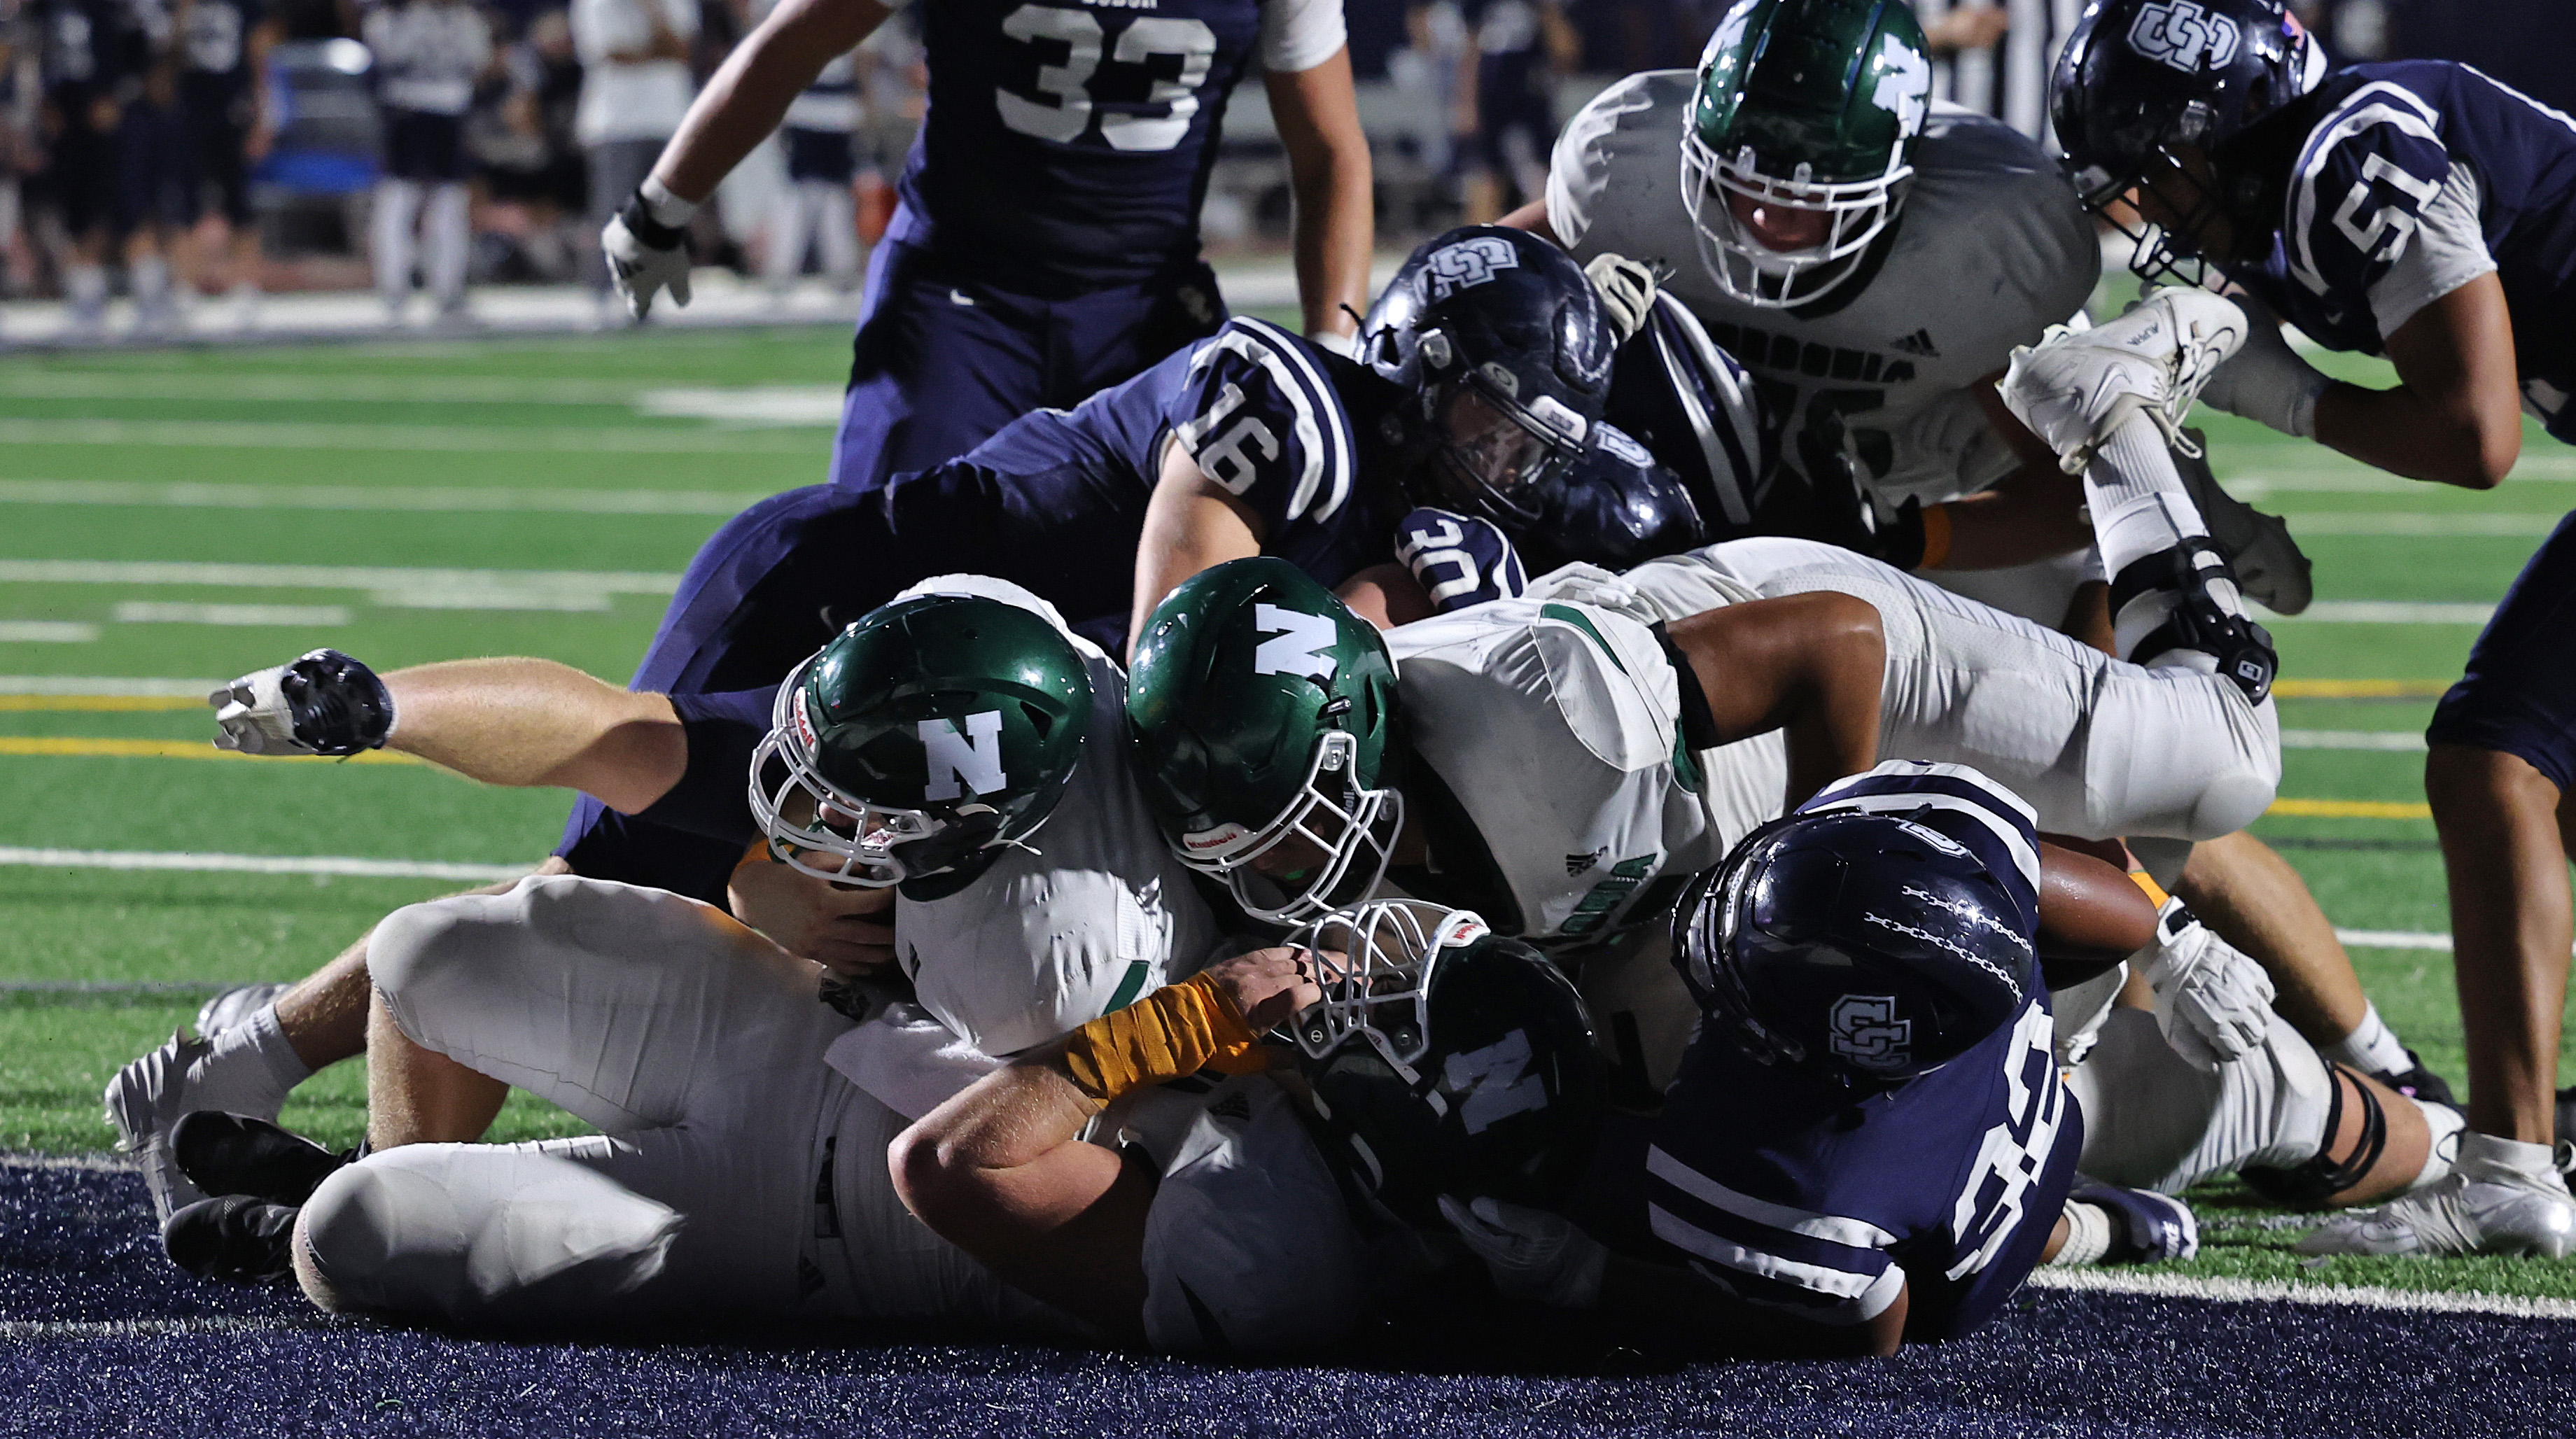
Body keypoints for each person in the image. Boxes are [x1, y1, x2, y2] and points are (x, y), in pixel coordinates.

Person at [1516, 0, 2444, 1107]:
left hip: (1938, 505)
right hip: (1716, 535)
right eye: (1740, 187)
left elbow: (2067, 497)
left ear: (1898, 187)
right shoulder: (1623, 180)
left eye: (1804, 207)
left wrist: (1907, 538)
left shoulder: (1978, 253)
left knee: (2122, 797)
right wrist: (1541, 304)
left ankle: (2382, 1070)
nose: (1763, 225)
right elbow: (1487, 283)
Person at [108, 578, 1222, 1226]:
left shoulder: (1047, 952)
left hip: (933, 1124)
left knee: (391, 1233)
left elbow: (1040, 1139)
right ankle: (370, 1176)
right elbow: (621, 736)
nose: (813, 816)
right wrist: (384, 707)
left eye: (859, 815)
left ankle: (368, 1196)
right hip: (878, 1017)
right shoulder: (956, 721)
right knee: (481, 938)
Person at [2051, 0, 2576, 1257]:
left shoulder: (2352, 157)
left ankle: (2506, 1172)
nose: (2150, 207)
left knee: (2495, 763)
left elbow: (2476, 434)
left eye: (2158, 166)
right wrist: (2223, 509)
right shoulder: (2308, 170)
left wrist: (2289, 400)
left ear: (2226, 120)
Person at [158, 881, 1362, 1354]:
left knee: (356, 1230)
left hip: (792, 1212)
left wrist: (1179, 1023)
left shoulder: (1290, 1252)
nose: (1387, 1022)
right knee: (423, 951)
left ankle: (311, 1224)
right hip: (799, 1021)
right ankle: (371, 1170)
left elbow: (954, 1165)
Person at [1441, 761, 2188, 1354]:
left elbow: (1876, 1326)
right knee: (1949, 1190)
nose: (1726, 935)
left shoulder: (1776, 1167)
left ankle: (2091, 1227)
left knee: (1609, 1167)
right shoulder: (1960, 875)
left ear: (1840, 1057)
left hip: (1953, 1271)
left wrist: (1590, 1277)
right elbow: (2127, 919)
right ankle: (2103, 1228)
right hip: (2025, 1119)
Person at [598, 0, 1375, 492]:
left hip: (1145, 312)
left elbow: (1329, 151)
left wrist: (1332, 352)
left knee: (1181, 619)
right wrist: (659, 204)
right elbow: (797, 40)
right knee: (872, 587)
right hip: (959, 298)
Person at [365, 0, 491, 324]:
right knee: (399, 199)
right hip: (407, 111)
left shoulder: (465, 20)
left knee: (449, 202)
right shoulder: (396, 17)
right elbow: (383, 55)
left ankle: (446, 288)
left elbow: (480, 63)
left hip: (449, 112)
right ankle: (394, 288)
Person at [570, 0, 694, 321]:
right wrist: (658, 51)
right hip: (615, 122)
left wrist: (652, 11)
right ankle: (601, 296)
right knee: (613, 212)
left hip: (666, 119)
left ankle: (646, 296)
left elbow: (682, 49)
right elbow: (611, 54)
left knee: (660, 217)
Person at [174, 0, 274, 325]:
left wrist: (263, 114)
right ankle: (185, 287)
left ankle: (246, 286)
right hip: (188, 108)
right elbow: (167, 53)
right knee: (184, 202)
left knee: (240, 203)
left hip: (234, 108)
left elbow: (260, 55)